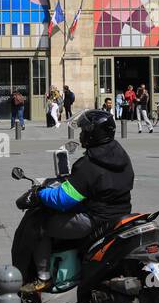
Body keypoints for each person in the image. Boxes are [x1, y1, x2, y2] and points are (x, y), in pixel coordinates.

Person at [11, 110, 133, 293]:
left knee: (39, 223)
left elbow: (63, 199)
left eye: (84, 131)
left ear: (93, 133)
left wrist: (39, 194)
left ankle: (43, 278)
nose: (82, 134)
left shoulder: (89, 164)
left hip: (94, 219)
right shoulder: (121, 155)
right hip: (120, 215)